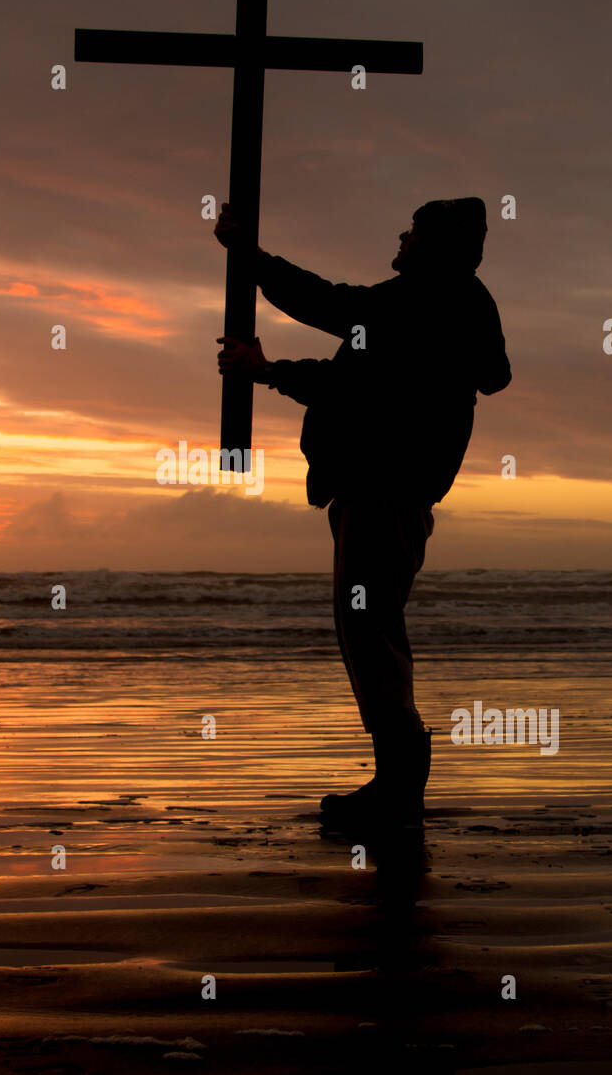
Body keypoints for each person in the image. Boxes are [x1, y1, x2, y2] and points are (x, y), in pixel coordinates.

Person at [215, 197, 511, 829]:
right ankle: (397, 780)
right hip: (383, 492)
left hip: (383, 492)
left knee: (369, 634)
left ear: (432, 246)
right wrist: (253, 266)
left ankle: (399, 785)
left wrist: (267, 366)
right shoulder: (446, 303)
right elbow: (340, 317)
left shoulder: (427, 302)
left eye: (412, 232)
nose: (400, 238)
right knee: (373, 632)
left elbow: (335, 326)